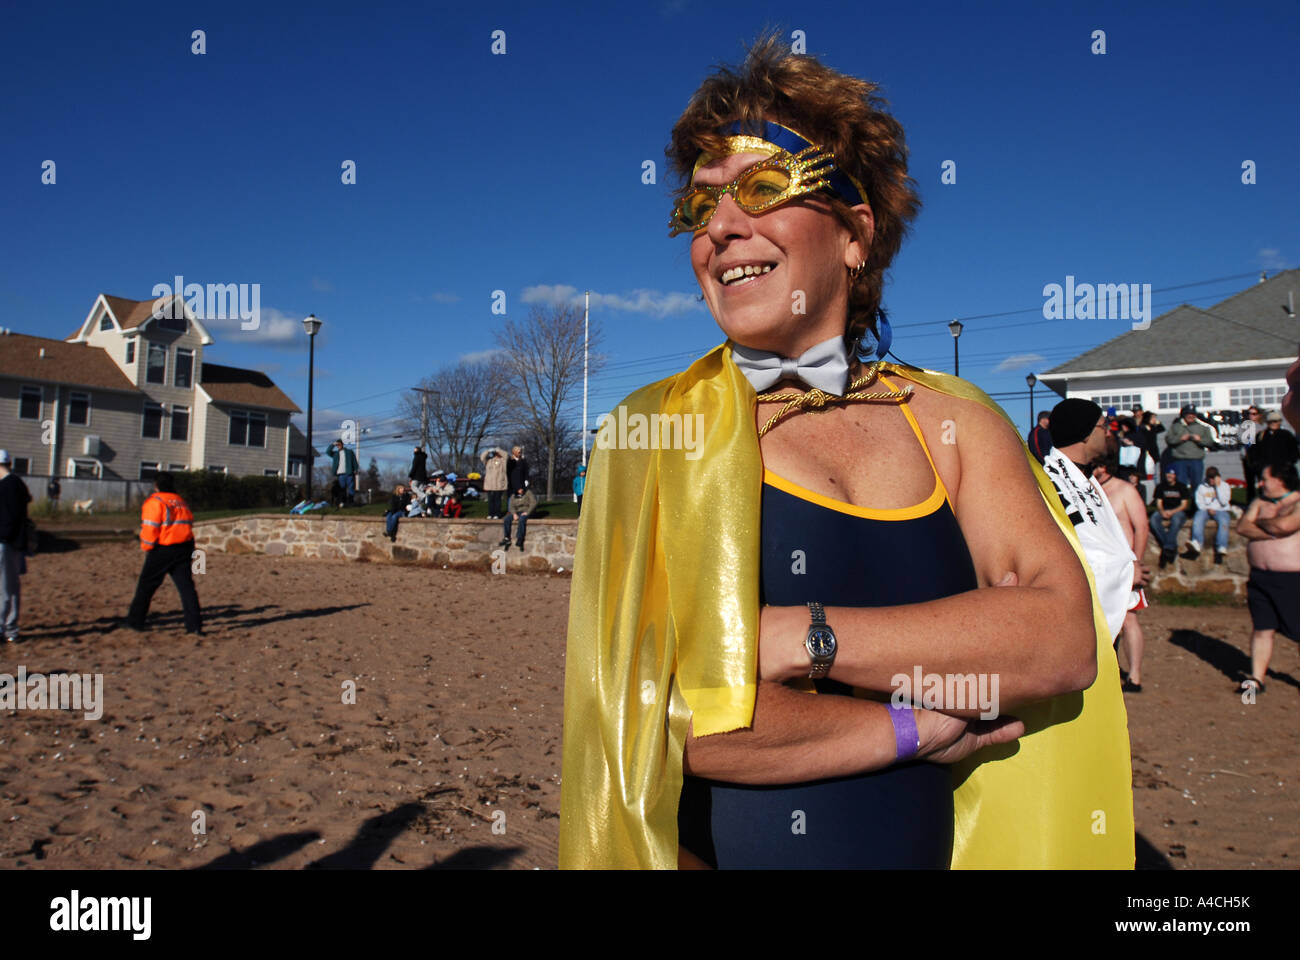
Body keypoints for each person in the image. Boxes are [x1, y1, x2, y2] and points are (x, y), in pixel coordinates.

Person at [560, 36, 1132, 870]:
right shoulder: (657, 434)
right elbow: (676, 716)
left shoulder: (955, 421)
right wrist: (911, 722)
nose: (720, 228)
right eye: (699, 205)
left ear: (857, 233)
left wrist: (801, 636)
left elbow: (1060, 640)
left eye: (760, 188)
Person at [1042, 400, 1142, 647]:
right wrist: (1128, 572)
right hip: (1080, 623)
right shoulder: (1051, 481)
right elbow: (1081, 549)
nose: (1109, 433)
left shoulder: (1083, 477)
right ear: (1085, 433)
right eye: (1103, 426)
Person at [1235, 460, 1300, 695]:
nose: (1260, 483)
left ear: (1281, 479)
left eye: (1265, 478)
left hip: (1292, 578)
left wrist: (1262, 523)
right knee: (1262, 627)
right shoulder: (1259, 502)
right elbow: (1242, 527)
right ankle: (1257, 678)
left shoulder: (1298, 501)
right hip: (1260, 576)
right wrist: (1271, 530)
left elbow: (1285, 526)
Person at [1095, 457, 1149, 692]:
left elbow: (1142, 526)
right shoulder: (1089, 489)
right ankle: (1107, 673)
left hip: (1125, 566)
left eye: (1096, 464)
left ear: (1105, 466)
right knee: (1101, 621)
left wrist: (1136, 562)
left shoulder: (1124, 490)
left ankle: (1134, 676)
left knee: (1129, 619)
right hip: (1101, 568)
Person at [125, 472, 202, 634]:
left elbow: (150, 528)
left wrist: (146, 547)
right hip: (184, 547)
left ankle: (135, 622)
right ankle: (194, 626)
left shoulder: (155, 502)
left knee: (146, 586)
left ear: (156, 485)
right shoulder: (181, 501)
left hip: (163, 548)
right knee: (187, 588)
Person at [0, 451, 32, 643]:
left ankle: (9, 628)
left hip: (6, 543)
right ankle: (9, 627)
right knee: (7, 588)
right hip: (9, 543)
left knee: (7, 589)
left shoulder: (10, 485)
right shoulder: (12, 484)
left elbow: (10, 520)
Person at [1184, 465, 1232, 563]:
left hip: (1221, 510)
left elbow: (1224, 502)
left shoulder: (1225, 486)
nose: (1211, 480)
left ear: (1218, 477)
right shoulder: (1201, 487)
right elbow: (1199, 503)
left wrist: (1218, 487)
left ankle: (1221, 546)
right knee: (1198, 519)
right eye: (1209, 478)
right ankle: (1197, 542)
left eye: (1213, 478)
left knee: (1224, 522)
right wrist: (1207, 509)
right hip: (1205, 509)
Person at [1149, 467, 1191, 568]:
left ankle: (1166, 548)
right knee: (1153, 519)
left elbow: (1184, 505)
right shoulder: (1161, 487)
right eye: (1168, 474)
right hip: (1164, 510)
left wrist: (1172, 512)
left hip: (1178, 511)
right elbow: (1159, 503)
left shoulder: (1181, 487)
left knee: (1176, 520)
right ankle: (1170, 547)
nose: (1169, 476)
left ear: (1175, 476)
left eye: (1172, 474)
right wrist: (1162, 511)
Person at [1165, 405, 1213, 490]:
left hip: (1196, 461)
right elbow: (1169, 440)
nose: (1191, 416)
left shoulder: (1202, 427)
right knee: (1180, 484)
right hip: (1180, 461)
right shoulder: (1175, 426)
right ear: (1183, 415)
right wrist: (1180, 439)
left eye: (1193, 414)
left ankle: (1195, 503)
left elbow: (1210, 442)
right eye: (1188, 414)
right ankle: (1182, 502)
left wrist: (1200, 440)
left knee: (1197, 484)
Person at [1249, 411, 1300, 477]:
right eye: (1270, 421)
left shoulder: (1287, 435)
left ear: (1279, 422)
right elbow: (1253, 452)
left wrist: (1289, 464)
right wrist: (1258, 465)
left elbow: (1294, 451)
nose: (1273, 423)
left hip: (1284, 470)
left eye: (1275, 421)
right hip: (1266, 470)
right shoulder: (1261, 436)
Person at [500, 486, 535, 550]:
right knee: (507, 519)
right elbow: (511, 506)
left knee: (522, 519)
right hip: (517, 512)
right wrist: (514, 514)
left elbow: (533, 503)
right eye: (519, 489)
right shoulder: (513, 495)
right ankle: (507, 538)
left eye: (522, 489)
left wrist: (528, 512)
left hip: (526, 511)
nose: (521, 490)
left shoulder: (528, 493)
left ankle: (520, 538)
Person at [1239, 406, 1263, 502]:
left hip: (1260, 458)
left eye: (1254, 414)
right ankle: (1250, 502)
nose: (1251, 416)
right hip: (1247, 457)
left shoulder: (1262, 426)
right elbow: (1242, 438)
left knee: (1262, 481)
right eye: (1249, 413)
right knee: (1250, 481)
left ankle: (1263, 501)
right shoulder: (1244, 426)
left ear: (1258, 415)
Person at [328, 439, 359, 506]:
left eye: (339, 444)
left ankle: (351, 502)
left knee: (351, 487)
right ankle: (343, 502)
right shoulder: (335, 454)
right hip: (340, 474)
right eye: (337, 445)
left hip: (349, 473)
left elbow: (354, 461)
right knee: (342, 489)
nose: (338, 446)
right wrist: (333, 444)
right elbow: (328, 452)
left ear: (342, 444)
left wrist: (356, 469)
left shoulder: (349, 452)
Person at [481, 448, 509, 519]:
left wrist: (498, 449)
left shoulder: (503, 461)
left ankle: (497, 514)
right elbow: (482, 457)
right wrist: (487, 451)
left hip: (499, 484)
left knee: (497, 500)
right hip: (490, 484)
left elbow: (506, 455)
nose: (496, 454)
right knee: (491, 500)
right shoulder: (488, 461)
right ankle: (491, 514)